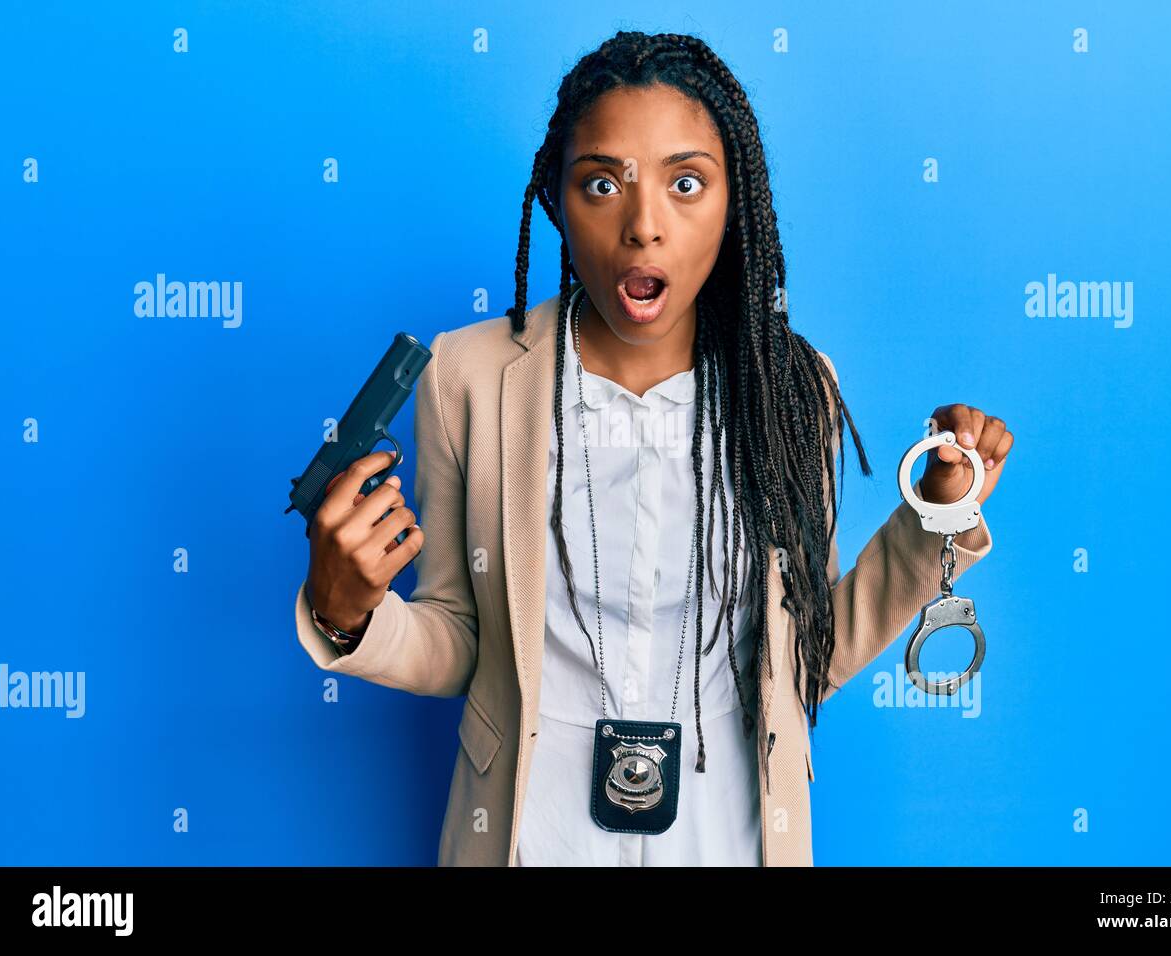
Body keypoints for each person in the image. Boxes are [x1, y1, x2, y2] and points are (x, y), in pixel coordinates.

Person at [292, 30, 1014, 866]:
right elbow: (461, 639)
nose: (644, 226)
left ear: (732, 201)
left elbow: (804, 658)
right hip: (531, 837)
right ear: (557, 203)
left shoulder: (790, 385)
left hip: (728, 839)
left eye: (685, 183)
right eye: (603, 183)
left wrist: (937, 516)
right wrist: (347, 614)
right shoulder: (468, 376)